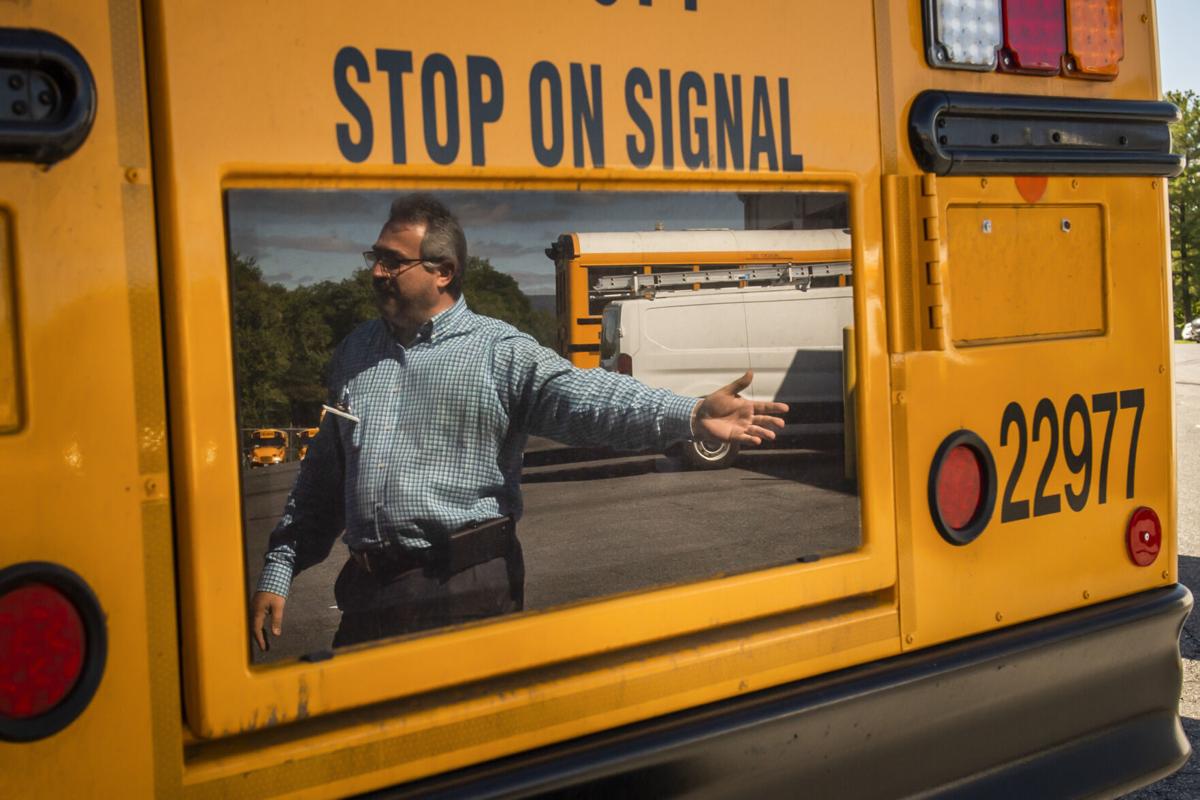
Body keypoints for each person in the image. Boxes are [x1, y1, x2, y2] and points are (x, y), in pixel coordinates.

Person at [250, 193, 788, 650]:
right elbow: (323, 477)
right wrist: (279, 569)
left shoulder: (498, 351)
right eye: (376, 256)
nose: (376, 271)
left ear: (443, 271)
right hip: (370, 593)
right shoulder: (353, 354)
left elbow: (586, 398)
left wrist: (688, 413)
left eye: (393, 261)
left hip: (465, 588)